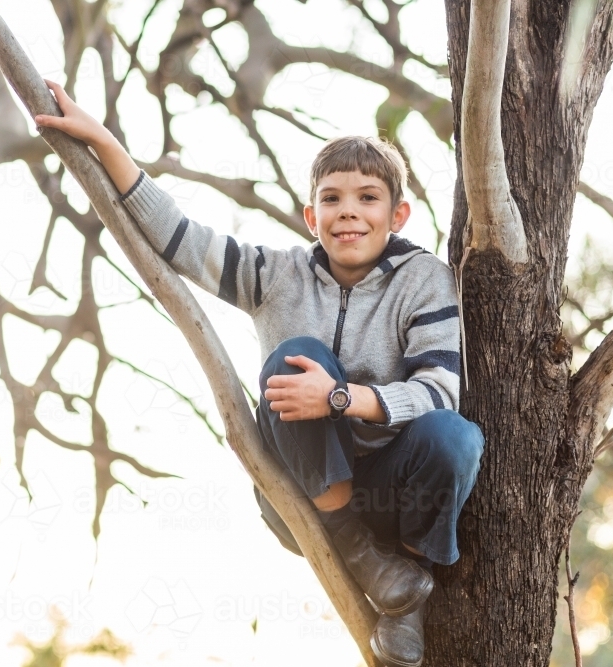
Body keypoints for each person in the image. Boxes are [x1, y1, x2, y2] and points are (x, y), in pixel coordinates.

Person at [36, 79, 484, 667]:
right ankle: (355, 545)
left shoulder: (423, 278)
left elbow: (437, 392)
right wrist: (102, 140)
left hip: (399, 487)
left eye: (367, 198)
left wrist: (342, 399)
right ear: (310, 215)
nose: (348, 210)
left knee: (457, 436)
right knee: (293, 356)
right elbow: (179, 238)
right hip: (309, 489)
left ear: (396, 213)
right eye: (332, 198)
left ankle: (405, 591)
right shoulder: (278, 276)